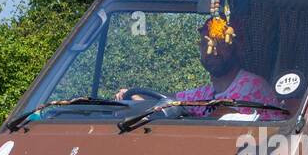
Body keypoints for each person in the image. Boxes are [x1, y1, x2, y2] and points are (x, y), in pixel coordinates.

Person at [118, 15, 283, 116]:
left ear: (236, 47)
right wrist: (137, 97)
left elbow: (221, 124)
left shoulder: (252, 86)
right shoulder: (207, 92)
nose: (213, 51)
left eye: (220, 43)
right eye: (206, 45)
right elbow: (174, 99)